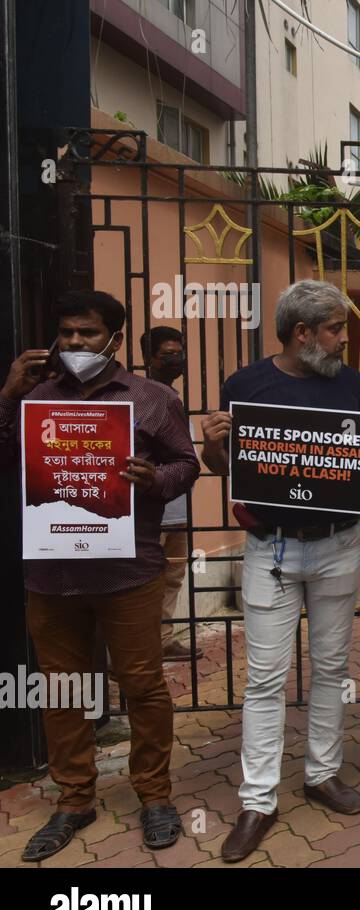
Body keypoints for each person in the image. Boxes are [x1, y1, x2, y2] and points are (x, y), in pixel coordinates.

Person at [202, 281, 360, 863]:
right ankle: (258, 800)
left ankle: (322, 773)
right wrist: (211, 446)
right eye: (336, 329)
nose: (345, 339)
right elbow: (226, 467)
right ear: (302, 333)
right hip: (269, 548)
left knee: (331, 667)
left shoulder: (357, 389)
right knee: (265, 676)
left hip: (338, 545)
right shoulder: (247, 386)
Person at [1, 290, 199, 862]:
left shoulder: (152, 399)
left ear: (114, 336)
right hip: (51, 572)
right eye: (66, 334)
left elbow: (185, 463)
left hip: (127, 568)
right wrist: (8, 397)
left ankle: (155, 795)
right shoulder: (36, 398)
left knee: (141, 683)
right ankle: (73, 799)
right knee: (63, 690)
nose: (74, 345)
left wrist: (153, 478)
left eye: (87, 334)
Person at [140, 325, 198, 662]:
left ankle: (162, 639)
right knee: (145, 581)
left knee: (173, 578)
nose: (176, 360)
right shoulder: (143, 399)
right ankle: (143, 646)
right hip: (153, 512)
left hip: (179, 511)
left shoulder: (176, 399)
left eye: (179, 353)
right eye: (168, 355)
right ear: (149, 359)